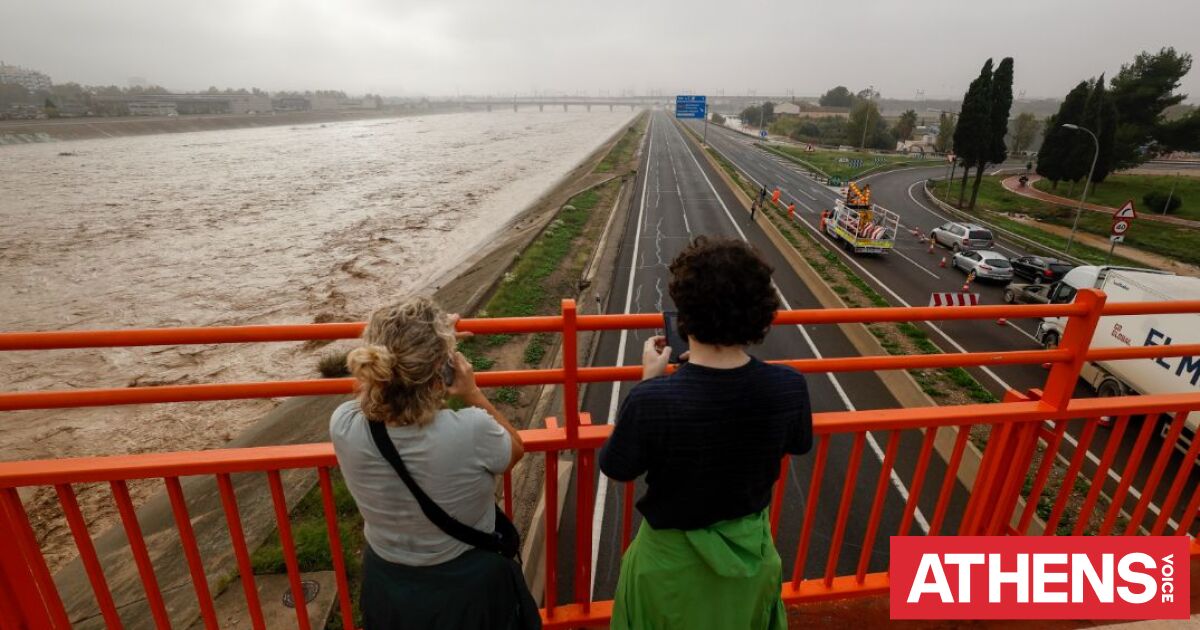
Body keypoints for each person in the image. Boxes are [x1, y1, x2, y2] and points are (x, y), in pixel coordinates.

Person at [600, 236, 813, 630]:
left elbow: (617, 466)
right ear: (761, 315)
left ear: (684, 317)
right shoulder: (789, 386)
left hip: (667, 574)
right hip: (750, 562)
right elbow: (798, 443)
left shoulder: (653, 399)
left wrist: (650, 381)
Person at [330, 296, 540, 630]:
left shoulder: (343, 424)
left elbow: (374, 400)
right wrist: (472, 392)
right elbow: (515, 448)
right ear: (441, 371)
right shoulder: (471, 430)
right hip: (465, 591)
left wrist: (427, 348)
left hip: (388, 587)